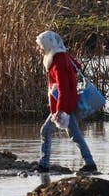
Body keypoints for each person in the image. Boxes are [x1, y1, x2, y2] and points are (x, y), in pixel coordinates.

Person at [35, 30, 96, 174]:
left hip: (64, 104)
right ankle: (89, 163)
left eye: (41, 45)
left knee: (46, 130)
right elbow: (77, 66)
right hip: (68, 101)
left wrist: (60, 110)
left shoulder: (58, 61)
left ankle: (43, 165)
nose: (40, 49)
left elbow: (63, 87)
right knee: (74, 134)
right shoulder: (61, 55)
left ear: (48, 44)